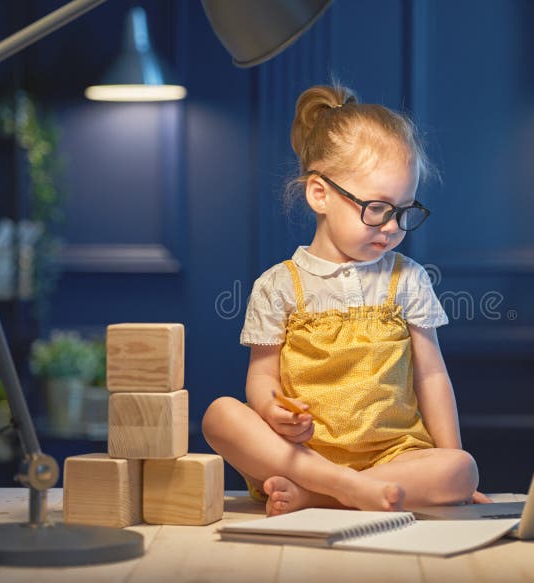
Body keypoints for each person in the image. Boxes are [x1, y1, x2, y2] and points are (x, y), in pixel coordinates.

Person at [203, 83, 490, 516]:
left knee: (460, 468)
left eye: (404, 210)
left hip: (395, 460)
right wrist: (271, 408)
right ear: (320, 193)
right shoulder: (279, 285)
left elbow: (432, 378)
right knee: (220, 415)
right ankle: (334, 483)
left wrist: (455, 471)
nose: (392, 227)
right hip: (302, 458)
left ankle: (318, 498)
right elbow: (262, 380)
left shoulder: (407, 279)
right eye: (377, 208)